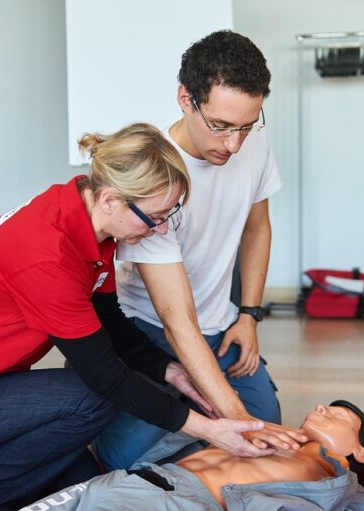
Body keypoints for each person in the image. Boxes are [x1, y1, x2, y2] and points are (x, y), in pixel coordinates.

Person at [0, 123, 303, 511]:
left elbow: (112, 323)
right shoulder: (46, 256)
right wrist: (210, 430)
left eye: (168, 216)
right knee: (93, 400)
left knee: (84, 480)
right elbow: (106, 376)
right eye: (155, 218)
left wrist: (172, 372)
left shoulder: (88, 220)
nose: (161, 231)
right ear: (110, 199)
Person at [95, 29, 287, 470]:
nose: (234, 144)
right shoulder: (156, 177)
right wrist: (234, 419)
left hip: (221, 323)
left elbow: (257, 227)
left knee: (266, 424)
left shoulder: (253, 139)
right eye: (220, 126)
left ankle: (198, 422)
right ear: (185, 98)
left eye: (246, 125)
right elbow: (178, 322)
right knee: (123, 456)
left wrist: (249, 315)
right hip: (151, 327)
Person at [22, 400, 364, 511]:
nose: (322, 406)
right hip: (129, 479)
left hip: (177, 503)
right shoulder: (266, 431)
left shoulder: (340, 484)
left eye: (339, 414)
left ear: (360, 452)